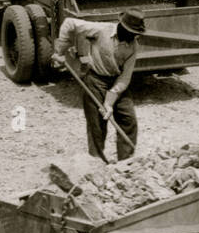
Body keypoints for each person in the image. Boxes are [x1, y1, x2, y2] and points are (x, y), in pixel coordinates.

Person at [52, 10, 144, 160]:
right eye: (132, 32)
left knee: (129, 120)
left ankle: (126, 163)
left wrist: (109, 102)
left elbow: (125, 77)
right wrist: (60, 51)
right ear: (122, 27)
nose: (134, 37)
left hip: (116, 82)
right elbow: (69, 23)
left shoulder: (133, 46)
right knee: (97, 126)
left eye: (136, 33)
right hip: (95, 79)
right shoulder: (101, 30)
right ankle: (96, 161)